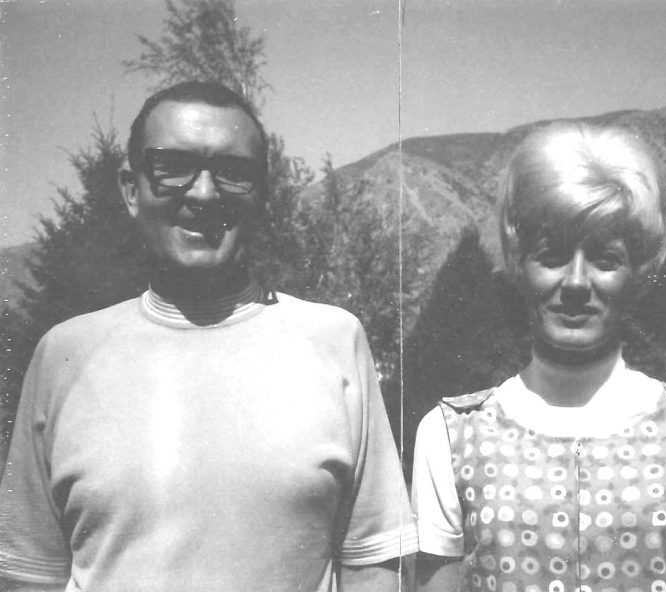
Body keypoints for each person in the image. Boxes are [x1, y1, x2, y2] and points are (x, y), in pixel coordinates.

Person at [0, 81, 417, 592]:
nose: (203, 193)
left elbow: (373, 567)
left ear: (262, 194)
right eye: (172, 167)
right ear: (131, 190)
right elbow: (28, 576)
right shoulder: (62, 356)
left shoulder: (333, 341)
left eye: (232, 173)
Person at [411, 122, 666, 592]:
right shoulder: (449, 436)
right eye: (552, 255)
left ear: (637, 271)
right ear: (519, 263)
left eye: (605, 258)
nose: (577, 283)